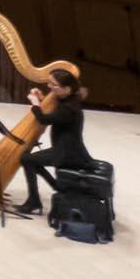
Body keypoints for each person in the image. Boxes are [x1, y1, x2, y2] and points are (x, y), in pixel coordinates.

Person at [19, 69, 92, 216]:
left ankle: (35, 200)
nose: (49, 86)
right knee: (31, 160)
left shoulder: (70, 109)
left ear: (67, 89)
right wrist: (42, 98)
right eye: (49, 82)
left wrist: (35, 103)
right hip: (67, 149)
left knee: (26, 159)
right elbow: (56, 107)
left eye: (54, 84)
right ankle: (55, 187)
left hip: (68, 153)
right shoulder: (69, 99)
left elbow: (44, 119)